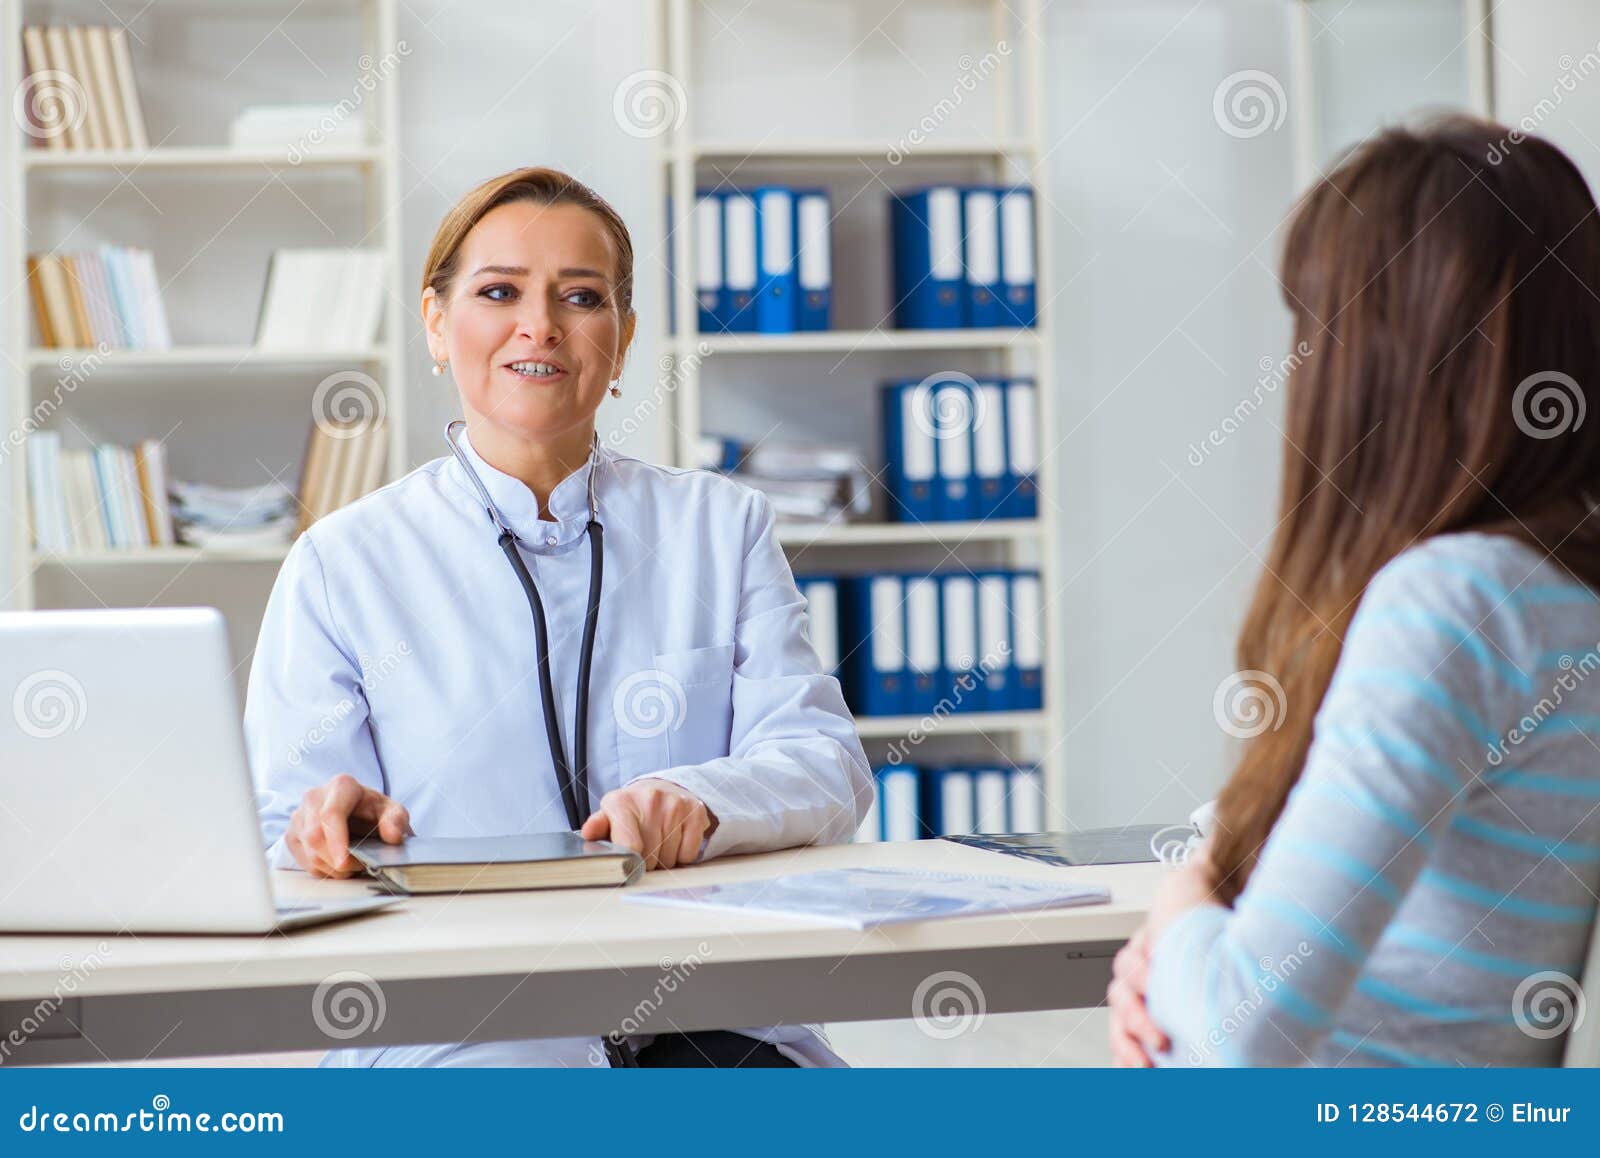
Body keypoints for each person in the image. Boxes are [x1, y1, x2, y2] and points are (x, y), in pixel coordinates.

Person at [245, 166, 874, 1068]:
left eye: (581, 297)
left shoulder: (718, 526)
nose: (538, 325)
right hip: (464, 1044)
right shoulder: (343, 563)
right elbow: (281, 828)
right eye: (499, 291)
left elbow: (827, 767)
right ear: (435, 323)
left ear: (619, 344)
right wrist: (328, 829)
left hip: (712, 1027)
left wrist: (702, 799)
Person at [1108, 117, 1600, 1067]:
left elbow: (1242, 1029)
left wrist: (1175, 921)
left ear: (1377, 361)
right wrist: (1185, 947)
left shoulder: (1457, 603)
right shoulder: (1555, 590)